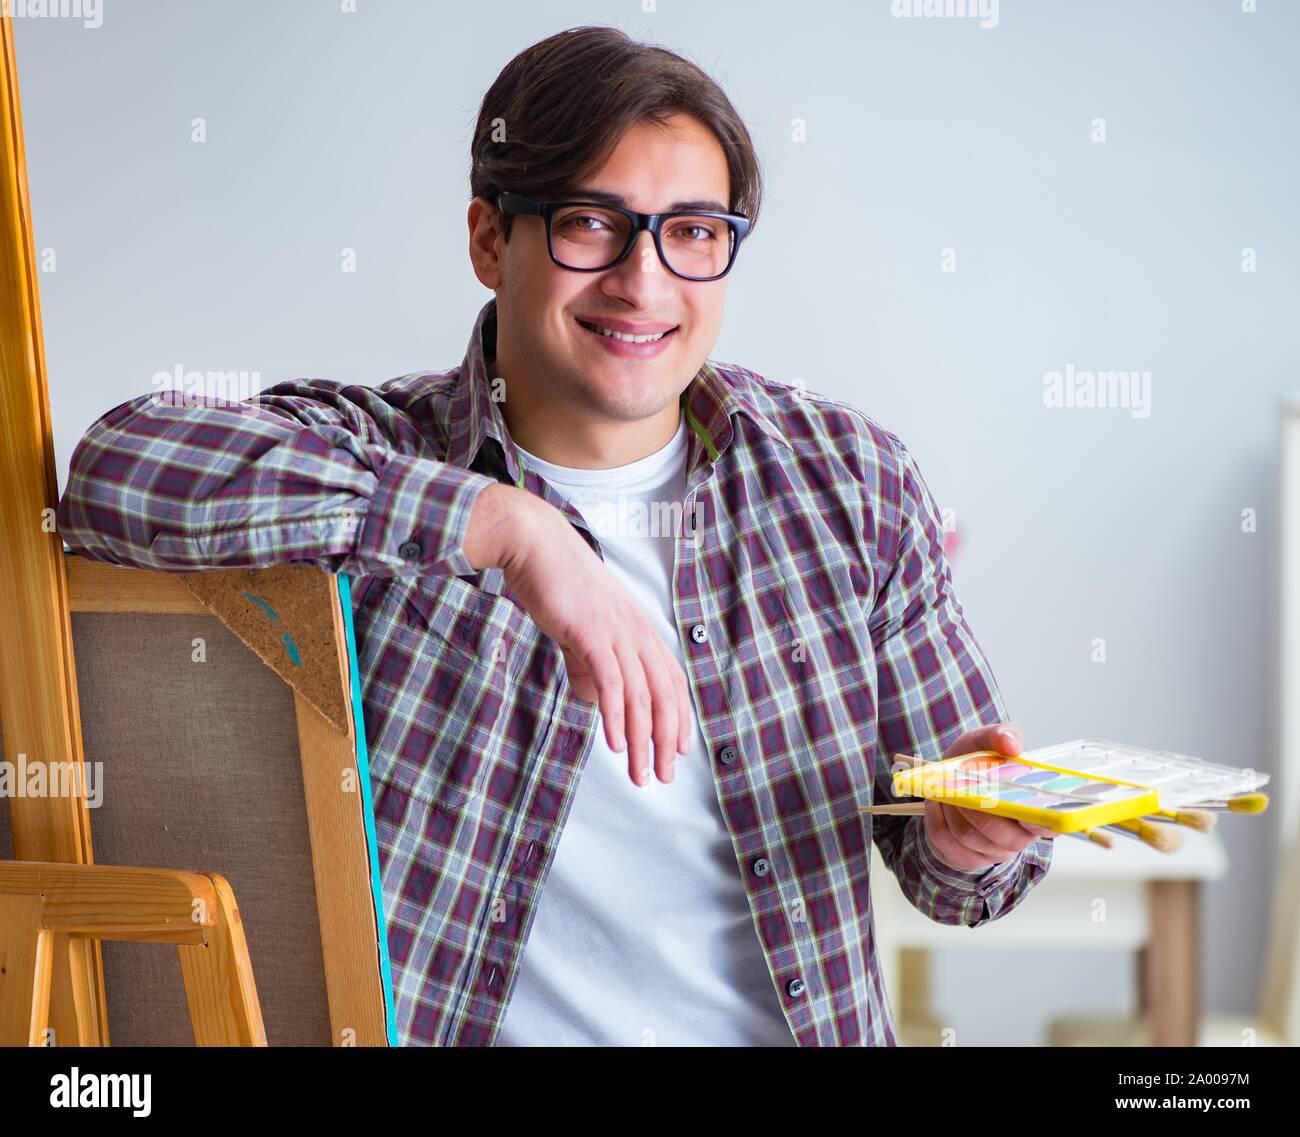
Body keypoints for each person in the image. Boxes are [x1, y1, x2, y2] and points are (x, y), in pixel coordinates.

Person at [56, 25, 1053, 1047]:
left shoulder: (850, 481)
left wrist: (970, 837)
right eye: (590, 224)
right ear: (491, 238)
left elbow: (960, 875)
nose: (643, 281)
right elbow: (114, 471)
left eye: (694, 232)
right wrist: (503, 525)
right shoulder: (387, 457)